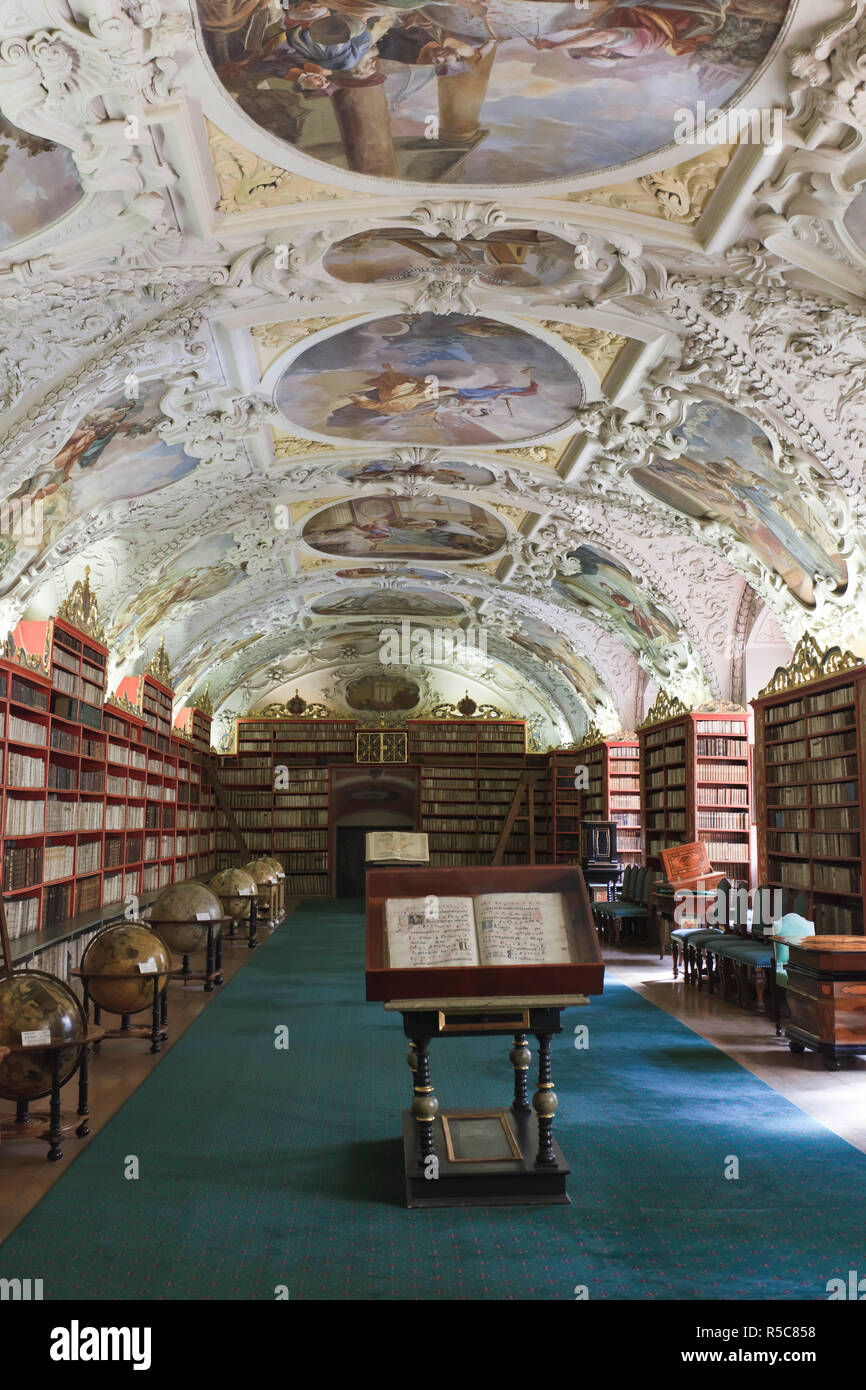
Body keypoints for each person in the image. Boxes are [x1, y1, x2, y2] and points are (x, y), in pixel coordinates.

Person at [530, 1, 730, 60]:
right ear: (608, 54)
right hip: (658, 12)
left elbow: (592, 35)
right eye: (594, 51)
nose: (592, 47)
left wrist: (560, 43)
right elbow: (599, 37)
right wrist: (556, 46)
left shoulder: (608, 31)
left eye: (589, 48)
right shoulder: (633, 47)